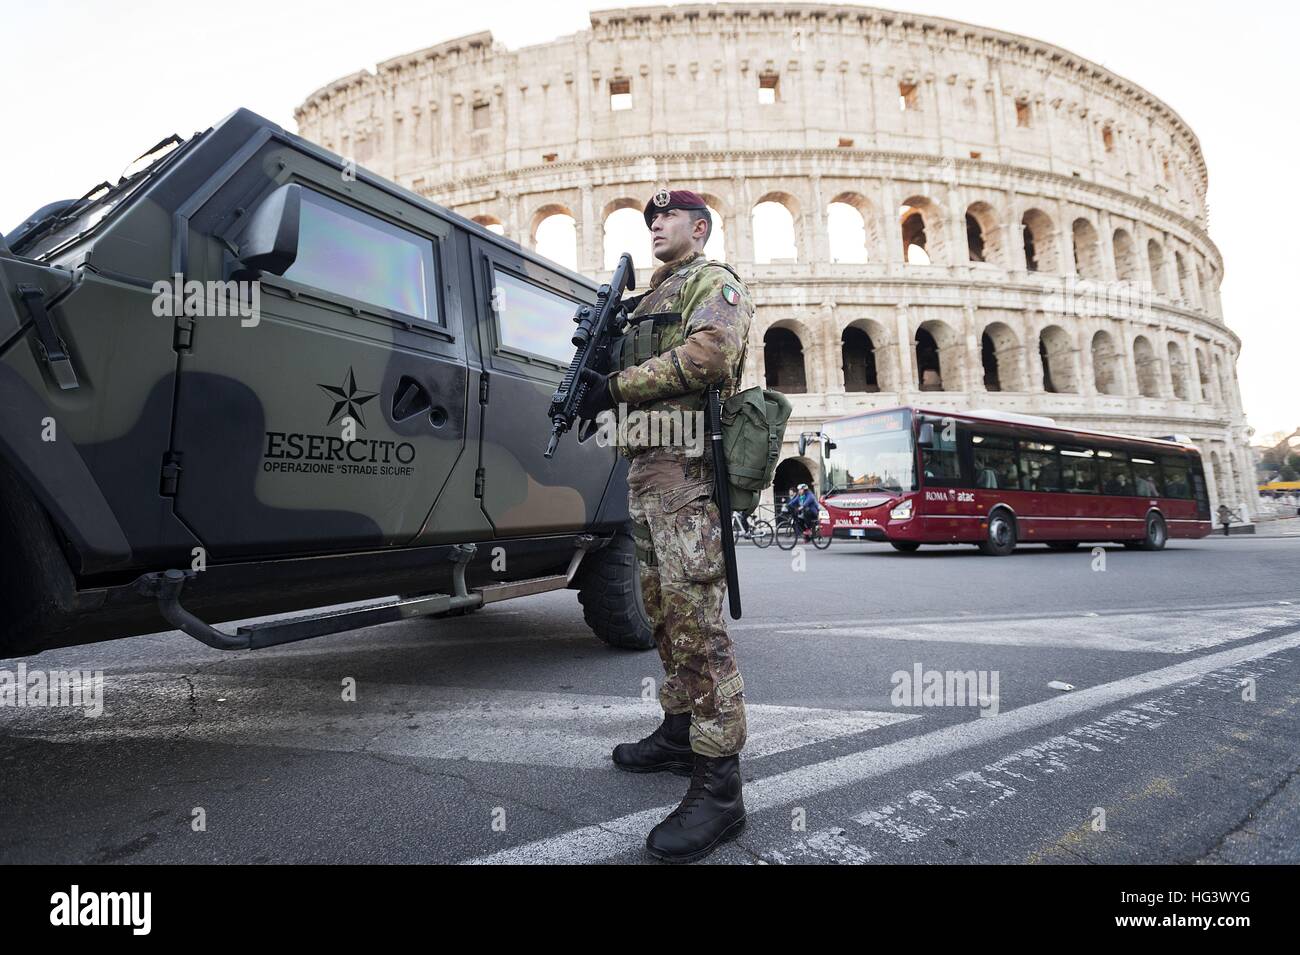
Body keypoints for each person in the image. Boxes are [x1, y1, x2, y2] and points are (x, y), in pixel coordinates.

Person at [575, 188, 753, 863]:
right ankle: (680, 733)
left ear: (699, 228)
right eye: (649, 218)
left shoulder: (714, 282)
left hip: (687, 474)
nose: (654, 224)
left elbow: (710, 356)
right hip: (648, 470)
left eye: (668, 215)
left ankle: (721, 789)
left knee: (696, 624)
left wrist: (616, 387)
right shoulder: (651, 296)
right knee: (661, 612)